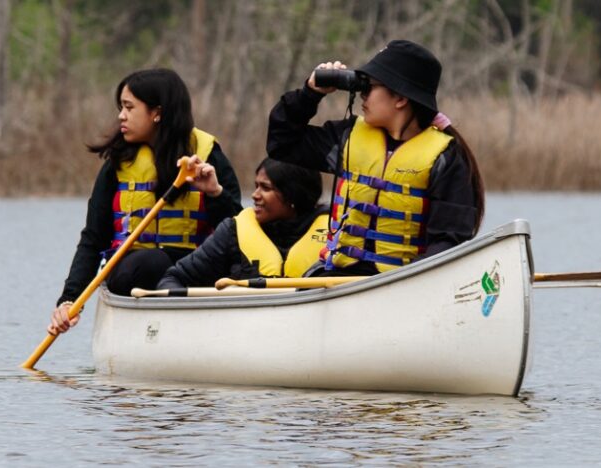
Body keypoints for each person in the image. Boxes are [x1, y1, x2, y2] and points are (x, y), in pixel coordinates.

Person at [267, 40, 485, 277]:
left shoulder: (446, 158)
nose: (362, 95)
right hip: (336, 279)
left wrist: (405, 283)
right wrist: (310, 93)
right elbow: (282, 142)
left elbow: (448, 240)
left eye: (369, 87)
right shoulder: (347, 137)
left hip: (403, 285)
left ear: (400, 99)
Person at [48, 68, 242, 335]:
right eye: (121, 107)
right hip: (134, 271)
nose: (121, 116)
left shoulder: (209, 157)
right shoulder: (117, 164)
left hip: (194, 269)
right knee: (151, 264)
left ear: (157, 112)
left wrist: (214, 192)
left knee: (203, 268)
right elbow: (94, 239)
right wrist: (69, 300)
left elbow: (237, 234)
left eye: (129, 107)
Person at [157, 158, 327, 289]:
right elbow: (173, 279)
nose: (255, 195)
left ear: (293, 196)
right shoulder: (232, 232)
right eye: (256, 186)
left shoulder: (335, 237)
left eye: (265, 188)